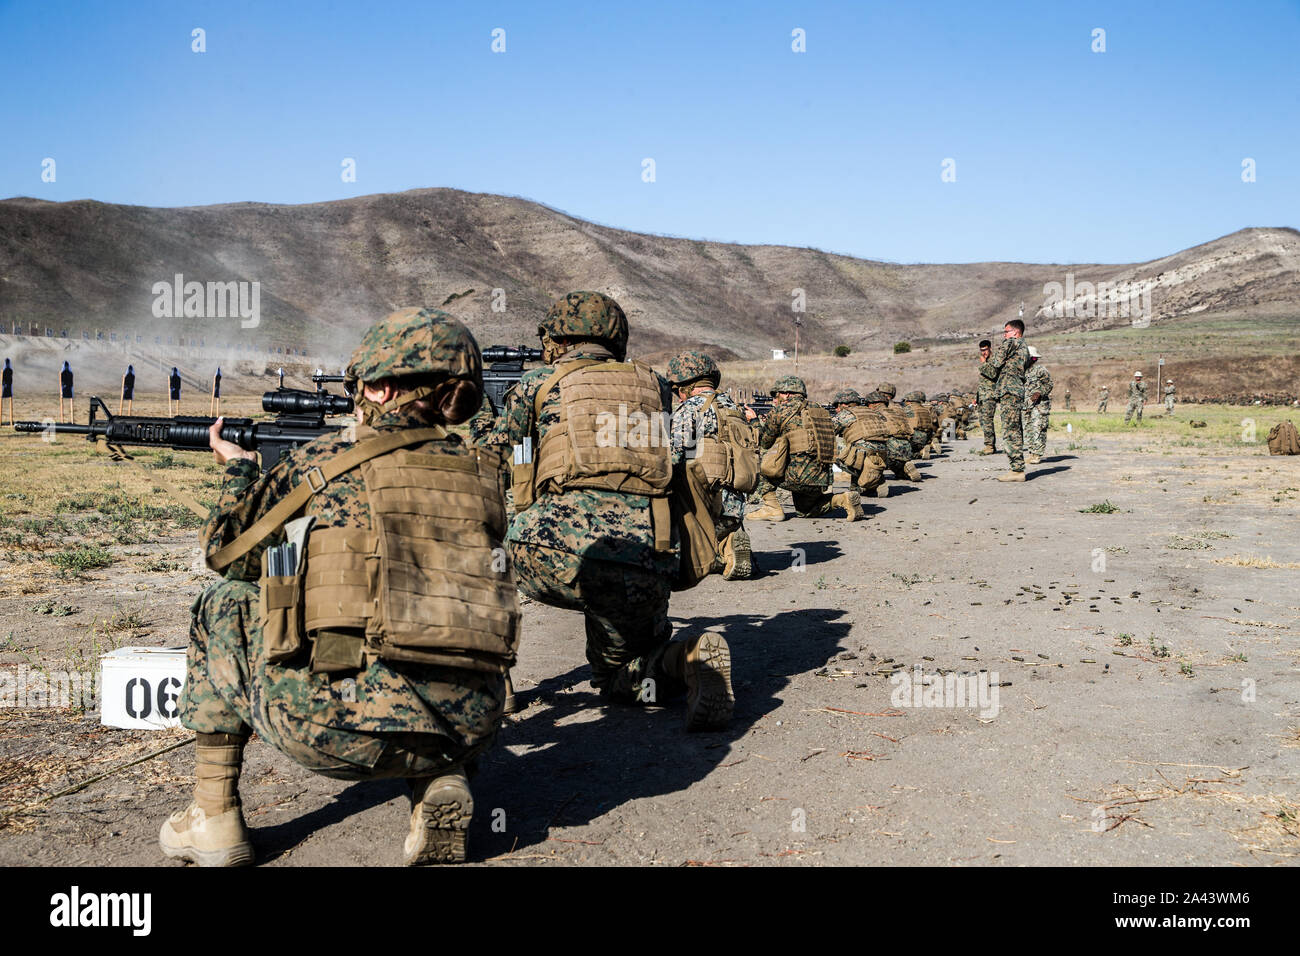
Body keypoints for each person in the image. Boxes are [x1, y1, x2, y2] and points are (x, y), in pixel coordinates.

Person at [162, 307, 519, 867]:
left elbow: (226, 556)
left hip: (334, 728)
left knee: (222, 604)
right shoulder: (484, 471)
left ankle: (213, 817)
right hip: (469, 723)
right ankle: (437, 780)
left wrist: (239, 470)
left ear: (377, 389)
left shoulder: (322, 459)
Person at [482, 290, 734, 732]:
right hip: (648, 556)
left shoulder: (535, 386)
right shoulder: (654, 385)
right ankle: (686, 659)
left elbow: (504, 462)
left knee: (480, 547)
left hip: (554, 555)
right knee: (624, 674)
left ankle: (491, 680)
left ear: (555, 340)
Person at [665, 349, 754, 580]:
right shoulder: (734, 408)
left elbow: (675, 457)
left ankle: (720, 551)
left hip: (705, 508)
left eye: (677, 391)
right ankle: (731, 539)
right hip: (736, 506)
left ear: (685, 386)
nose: (678, 397)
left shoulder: (690, 409)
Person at [746, 375, 862, 522]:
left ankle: (772, 508)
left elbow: (764, 442)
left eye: (777, 395)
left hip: (797, 478)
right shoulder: (820, 410)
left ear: (786, 393)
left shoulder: (781, 410)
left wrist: (754, 421)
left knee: (758, 458)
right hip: (821, 478)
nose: (775, 399)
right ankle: (842, 499)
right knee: (805, 511)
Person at [980, 318, 1028, 481]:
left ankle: (1017, 470)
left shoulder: (1011, 343)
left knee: (1010, 430)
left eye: (1006, 332)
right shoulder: (1024, 348)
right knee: (1015, 427)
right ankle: (1017, 467)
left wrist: (984, 364)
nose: (1004, 335)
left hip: (1008, 389)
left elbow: (995, 364)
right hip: (1016, 389)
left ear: (1016, 332)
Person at [830, 388, 890, 498]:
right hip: (884, 454)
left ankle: (827, 487)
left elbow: (828, 433)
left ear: (843, 404)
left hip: (862, 454)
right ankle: (870, 481)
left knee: (830, 447)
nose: (837, 409)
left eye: (837, 406)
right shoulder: (874, 412)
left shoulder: (845, 414)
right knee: (857, 445)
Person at [863, 392, 922, 481]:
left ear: (874, 404)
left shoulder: (875, 414)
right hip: (906, 446)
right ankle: (904, 468)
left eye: (868, 404)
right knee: (898, 471)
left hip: (890, 447)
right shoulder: (896, 412)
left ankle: (877, 478)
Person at [1022, 346, 1053, 464]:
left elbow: (1049, 384)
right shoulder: (1022, 371)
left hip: (1039, 406)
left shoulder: (1040, 370)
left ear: (1033, 358)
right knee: (1028, 429)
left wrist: (1039, 392)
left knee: (1038, 429)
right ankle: (1031, 453)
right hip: (1026, 406)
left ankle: (1037, 455)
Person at [976, 340, 997, 454]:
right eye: (982, 350)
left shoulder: (994, 360)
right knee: (983, 421)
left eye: (985, 350)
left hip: (990, 395)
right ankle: (991, 444)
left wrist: (984, 364)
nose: (984, 352)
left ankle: (989, 446)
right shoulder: (985, 361)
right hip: (982, 396)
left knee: (987, 420)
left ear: (990, 348)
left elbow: (993, 374)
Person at [2, 358, 13, 426]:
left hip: (7, 387)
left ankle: (10, 422)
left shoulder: (7, 370)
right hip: (6, 387)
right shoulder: (8, 370)